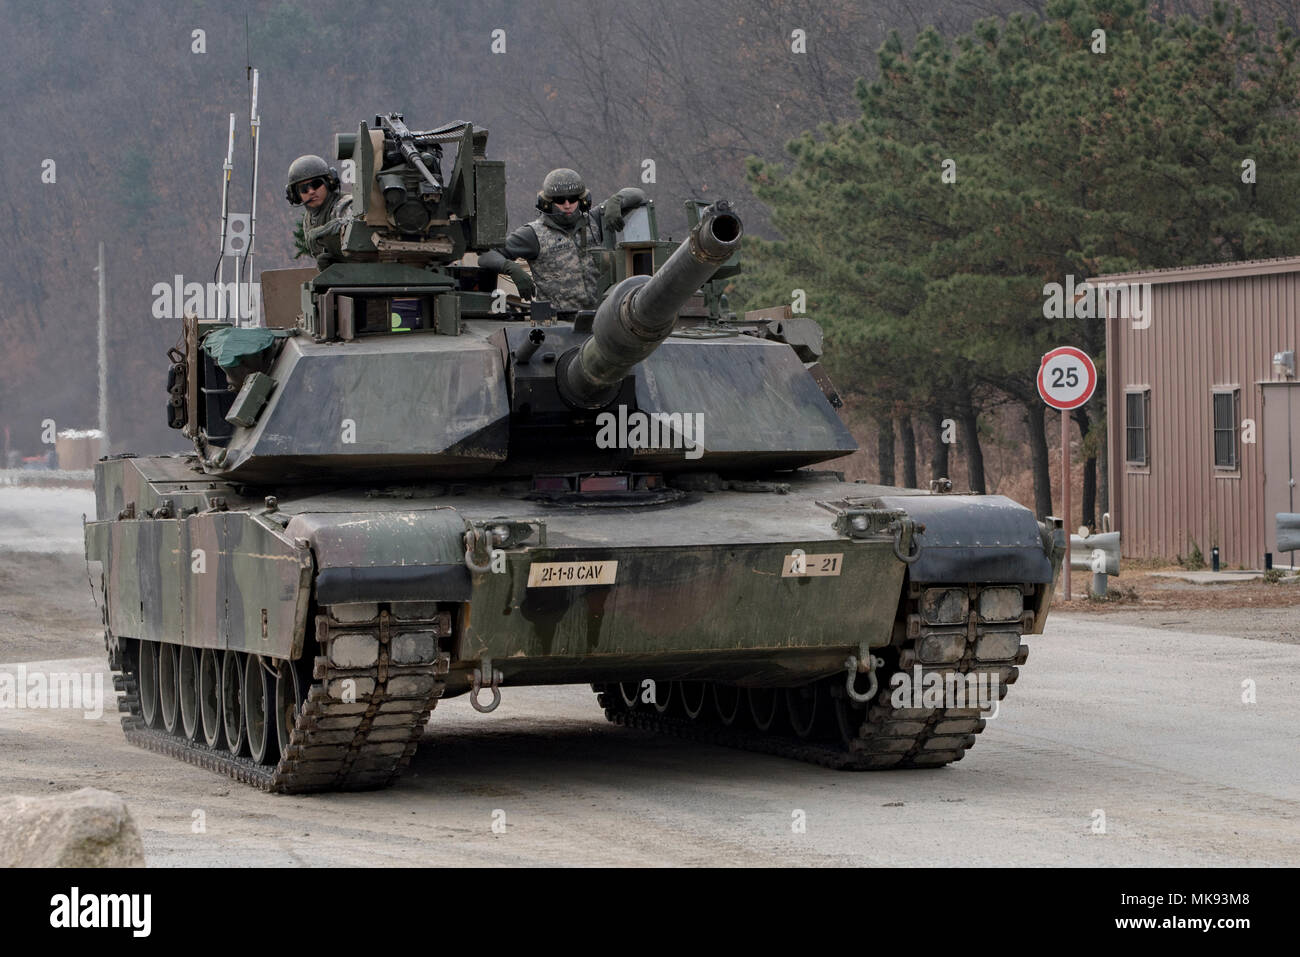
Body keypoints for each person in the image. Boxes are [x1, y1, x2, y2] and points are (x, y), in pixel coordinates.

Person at [481, 168, 646, 311]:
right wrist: (512, 268)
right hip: (559, 322)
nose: (567, 205)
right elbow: (487, 255)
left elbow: (638, 194)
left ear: (582, 200)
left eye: (572, 199)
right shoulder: (533, 234)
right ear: (547, 203)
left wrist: (616, 200)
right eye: (560, 200)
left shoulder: (595, 221)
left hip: (601, 317)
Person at [285, 154, 351, 269]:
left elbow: (355, 222)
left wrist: (325, 231)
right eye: (304, 189)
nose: (311, 191)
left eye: (316, 184)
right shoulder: (308, 219)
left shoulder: (344, 204)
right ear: (296, 195)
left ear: (329, 183)